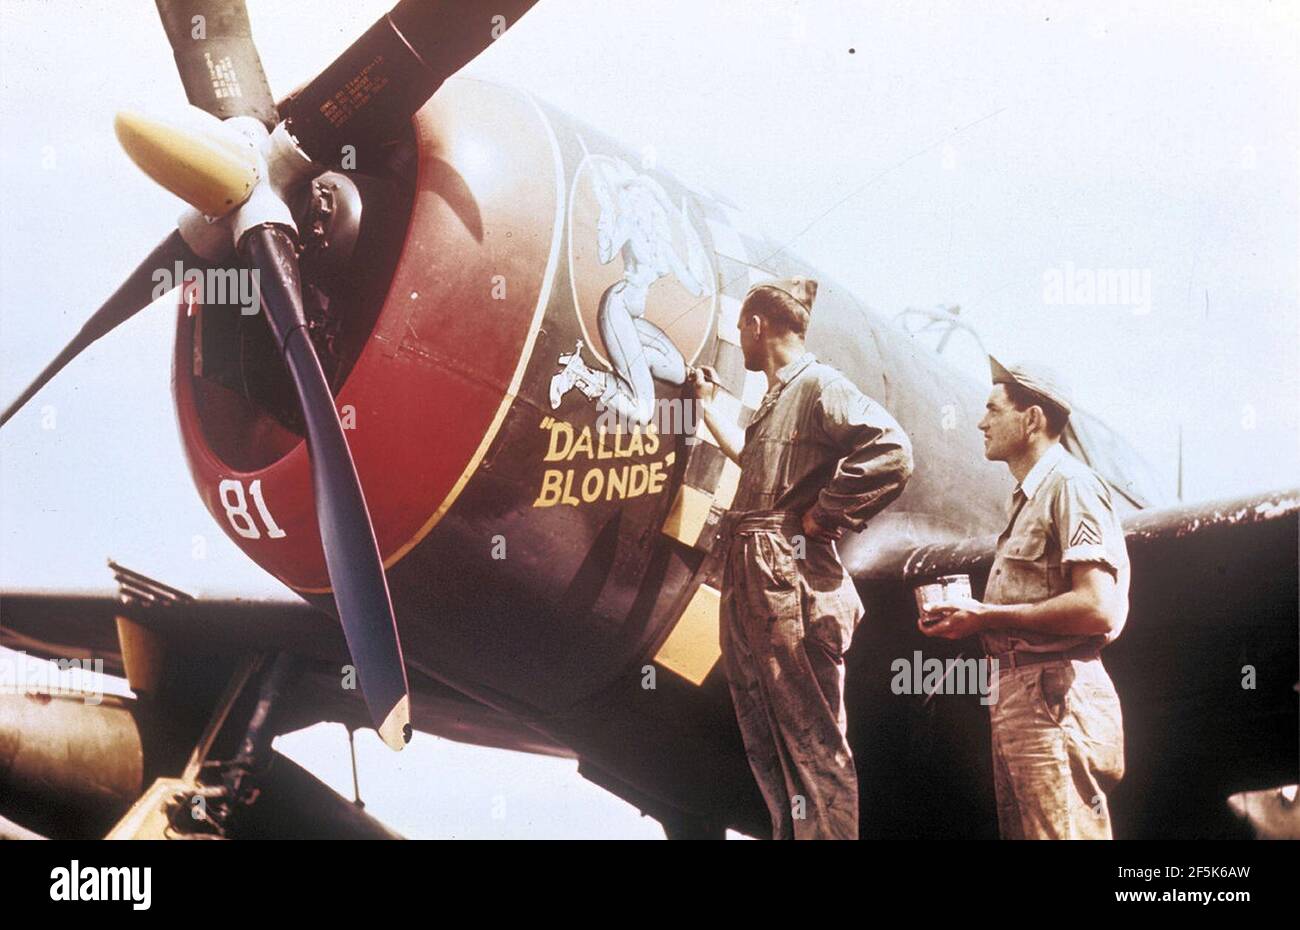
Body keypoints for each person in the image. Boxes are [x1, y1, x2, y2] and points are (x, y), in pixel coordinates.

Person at [690, 276, 912, 839]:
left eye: (742, 327)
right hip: (755, 570)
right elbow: (753, 462)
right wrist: (708, 407)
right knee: (767, 738)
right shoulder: (777, 398)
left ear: (757, 325)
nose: (740, 339)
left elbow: (892, 450)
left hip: (786, 577)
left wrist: (825, 515)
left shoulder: (819, 386)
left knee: (811, 742)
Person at [920, 357, 1129, 839]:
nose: (981, 421)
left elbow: (1098, 606)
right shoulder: (1031, 497)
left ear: (1031, 419)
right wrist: (973, 621)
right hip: (1022, 694)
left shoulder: (1072, 486)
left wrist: (986, 615)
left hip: (1055, 697)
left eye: (993, 409)